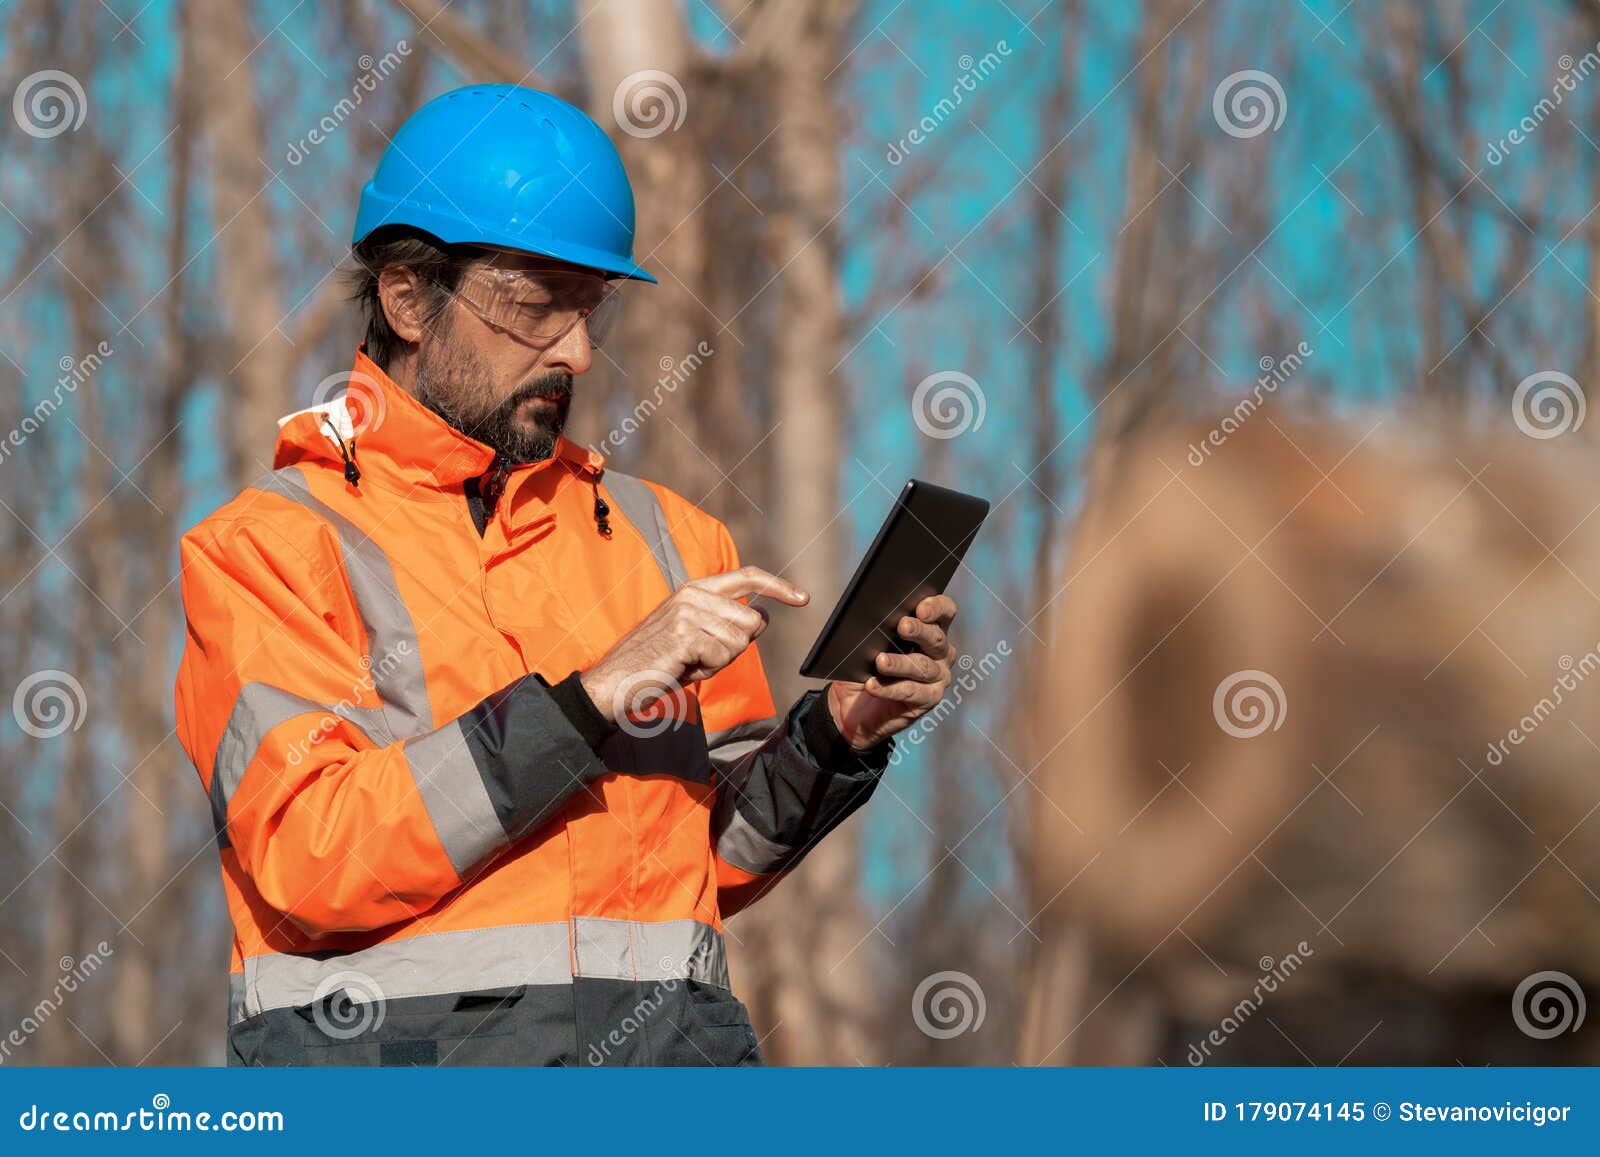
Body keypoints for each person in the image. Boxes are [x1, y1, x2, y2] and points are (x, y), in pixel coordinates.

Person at [174, 84, 959, 1066]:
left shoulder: (670, 539)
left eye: (589, 309)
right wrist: (590, 697)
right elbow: (312, 852)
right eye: (536, 306)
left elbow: (709, 857)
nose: (576, 350)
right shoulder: (268, 547)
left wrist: (841, 731)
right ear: (406, 296)